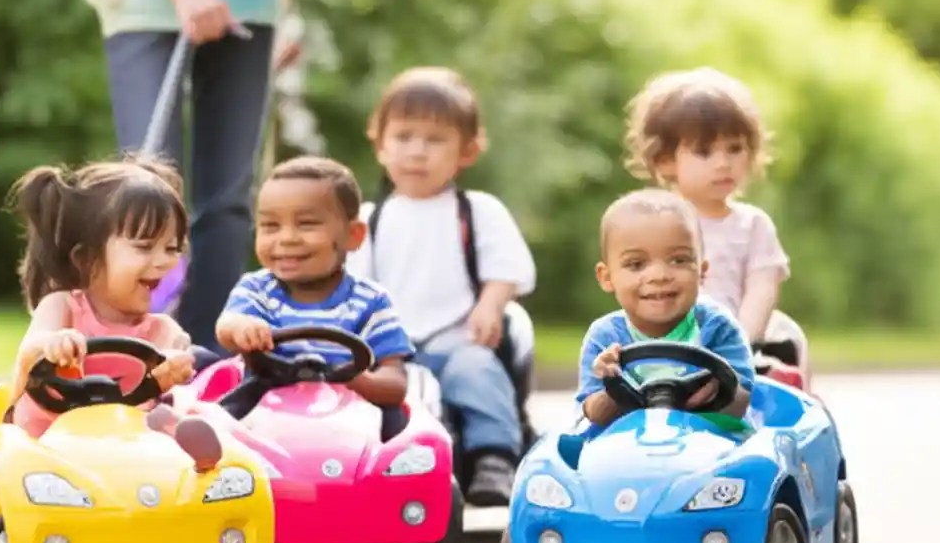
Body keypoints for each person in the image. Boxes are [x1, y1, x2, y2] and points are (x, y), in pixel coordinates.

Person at [77, 0, 305, 354]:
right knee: (147, 190)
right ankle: (134, 348)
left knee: (228, 200)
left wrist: (285, 8)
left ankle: (211, 358)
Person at [345, 67, 537, 506]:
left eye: (434, 140)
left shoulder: (476, 210)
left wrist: (491, 305)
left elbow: (507, 268)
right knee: (368, 392)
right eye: (404, 137)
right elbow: (354, 288)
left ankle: (495, 456)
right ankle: (381, 468)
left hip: (457, 339)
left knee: (476, 372)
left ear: (466, 151)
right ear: (380, 146)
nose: (417, 151)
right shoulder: (369, 219)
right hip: (392, 351)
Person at [5, 156, 223, 470]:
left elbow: (174, 364)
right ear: (86, 258)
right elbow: (29, 352)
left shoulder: (161, 330)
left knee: (181, 409)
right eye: (145, 247)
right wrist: (52, 344)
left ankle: (207, 453)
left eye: (172, 248)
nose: (164, 262)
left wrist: (173, 370)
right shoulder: (62, 307)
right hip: (45, 450)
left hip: (125, 457)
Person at [622, 67, 809, 382]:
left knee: (789, 348)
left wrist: (739, 343)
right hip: (665, 348)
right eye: (704, 152)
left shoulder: (752, 225)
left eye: (735, 149)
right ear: (666, 160)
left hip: (738, 350)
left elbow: (762, 288)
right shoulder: (651, 224)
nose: (724, 163)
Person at [214, 155, 414, 435]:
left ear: (353, 236)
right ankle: (204, 460)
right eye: (271, 226)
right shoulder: (257, 290)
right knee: (218, 418)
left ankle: (403, 476)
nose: (287, 238)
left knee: (399, 426)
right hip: (266, 403)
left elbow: (395, 382)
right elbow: (226, 327)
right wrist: (242, 328)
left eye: (306, 224)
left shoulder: (371, 302)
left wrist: (359, 381)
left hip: (352, 415)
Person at [577, 189, 755, 430]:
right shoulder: (605, 338)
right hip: (626, 447)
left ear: (701, 271)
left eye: (679, 260)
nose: (659, 276)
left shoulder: (716, 327)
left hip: (708, 441)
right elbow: (593, 413)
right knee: (574, 450)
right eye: (636, 264)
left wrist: (717, 392)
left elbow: (742, 402)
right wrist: (611, 384)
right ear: (607, 277)